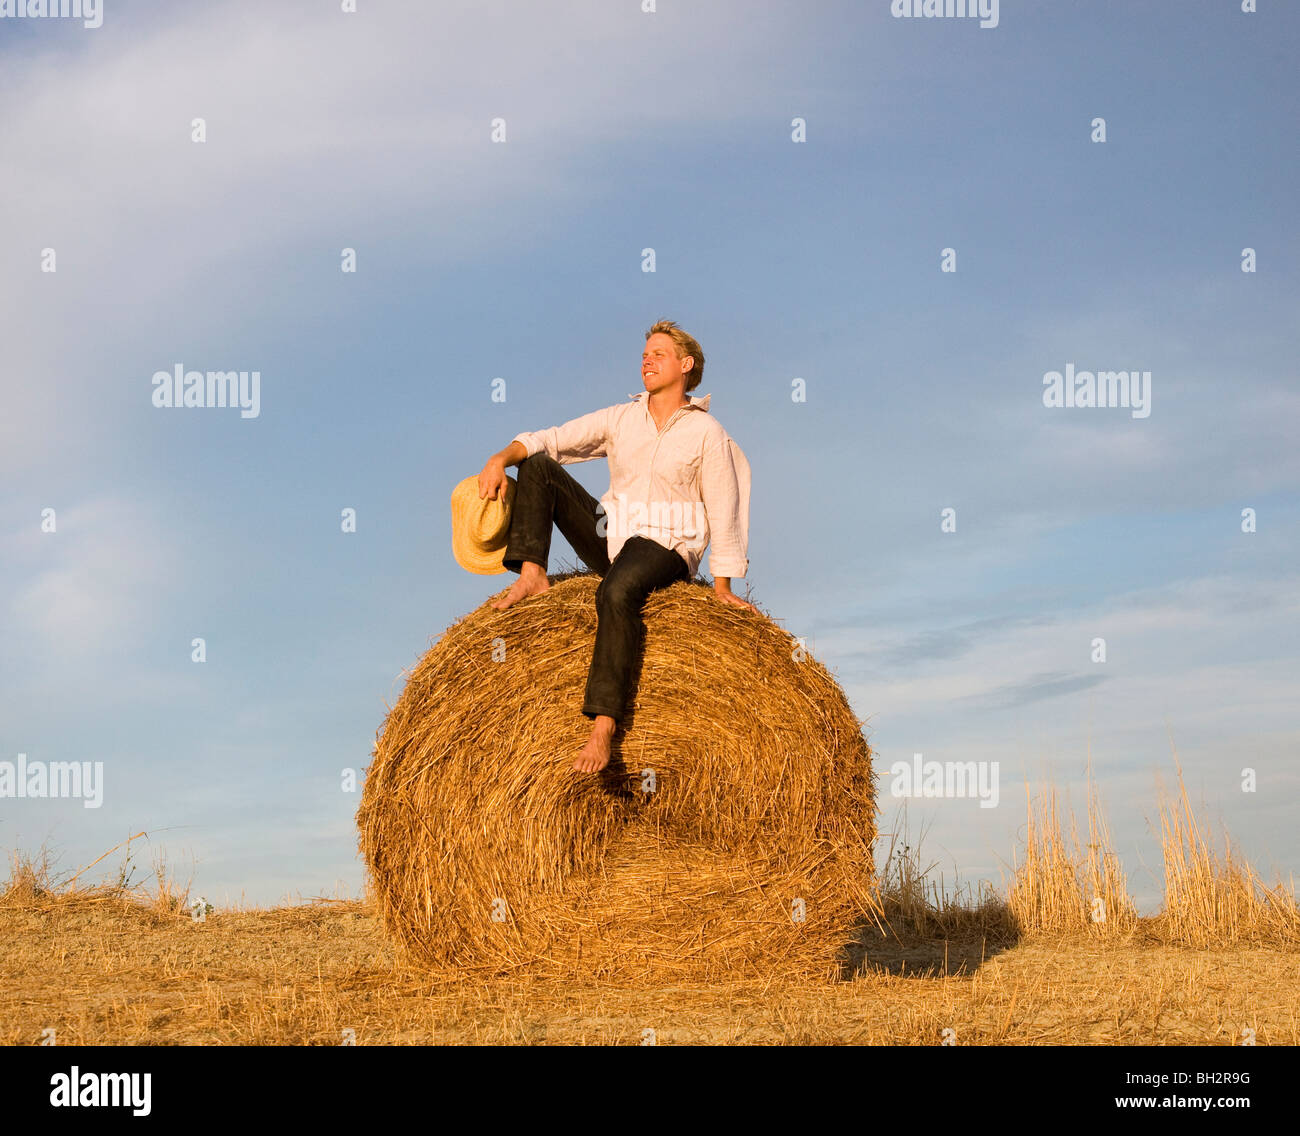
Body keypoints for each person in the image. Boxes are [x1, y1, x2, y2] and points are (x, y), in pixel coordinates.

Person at [477, 319, 756, 774]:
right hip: (615, 535)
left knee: (615, 592)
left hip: (666, 544)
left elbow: (725, 507)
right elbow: (550, 439)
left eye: (659, 353)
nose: (647, 360)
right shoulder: (621, 418)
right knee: (540, 466)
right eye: (645, 353)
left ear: (685, 365)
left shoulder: (707, 434)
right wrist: (499, 458)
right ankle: (533, 572)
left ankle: (603, 726)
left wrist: (722, 585)